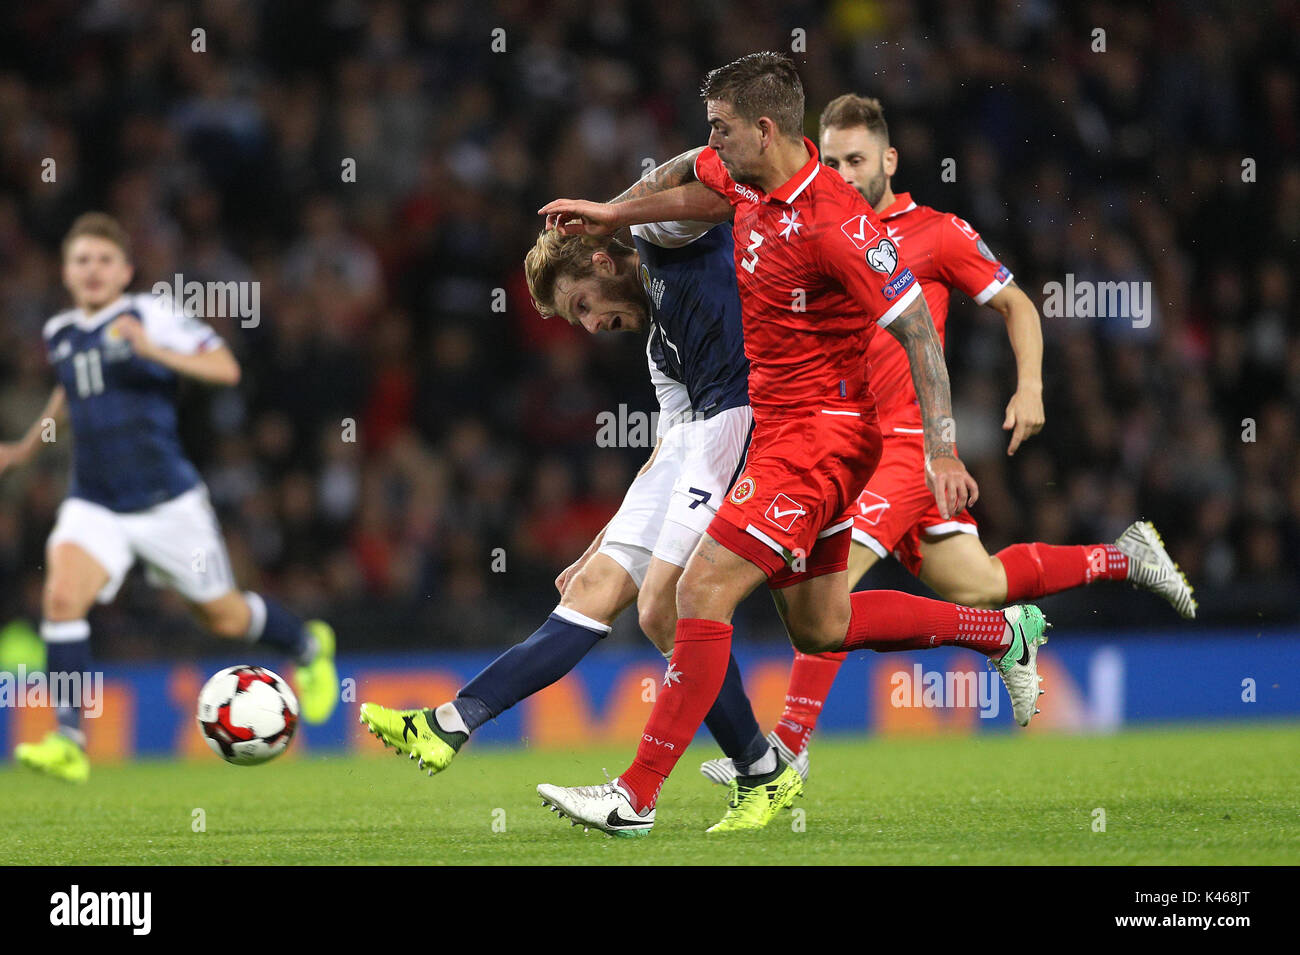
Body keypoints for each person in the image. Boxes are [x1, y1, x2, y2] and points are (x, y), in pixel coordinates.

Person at [535, 53, 1049, 836]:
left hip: (819, 438)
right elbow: (688, 177)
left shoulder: (838, 222)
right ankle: (999, 630)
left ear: (764, 130)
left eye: (721, 128)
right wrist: (615, 213)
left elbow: (918, 332)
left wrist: (944, 450)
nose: (711, 141)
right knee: (821, 625)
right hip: (789, 432)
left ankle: (635, 796)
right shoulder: (748, 175)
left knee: (693, 595)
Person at [700, 93, 1196, 786]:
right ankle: (1121, 559)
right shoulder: (813, 223)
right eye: (832, 159)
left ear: (890, 160)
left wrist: (1031, 387)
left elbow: (1017, 304)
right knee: (983, 581)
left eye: (857, 160)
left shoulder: (937, 233)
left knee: (830, 596)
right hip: (854, 443)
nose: (841, 172)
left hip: (904, 448)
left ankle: (786, 748)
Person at [0, 213, 338, 783]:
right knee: (61, 599)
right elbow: (71, 383)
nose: (92, 270)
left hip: (166, 502)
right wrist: (26, 447)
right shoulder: (60, 331)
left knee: (224, 616)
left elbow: (225, 368)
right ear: (66, 271)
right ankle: (68, 738)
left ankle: (308, 645)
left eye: (104, 260)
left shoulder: (152, 315)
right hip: (95, 502)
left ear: (125, 270)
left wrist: (152, 351)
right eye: (81, 260)